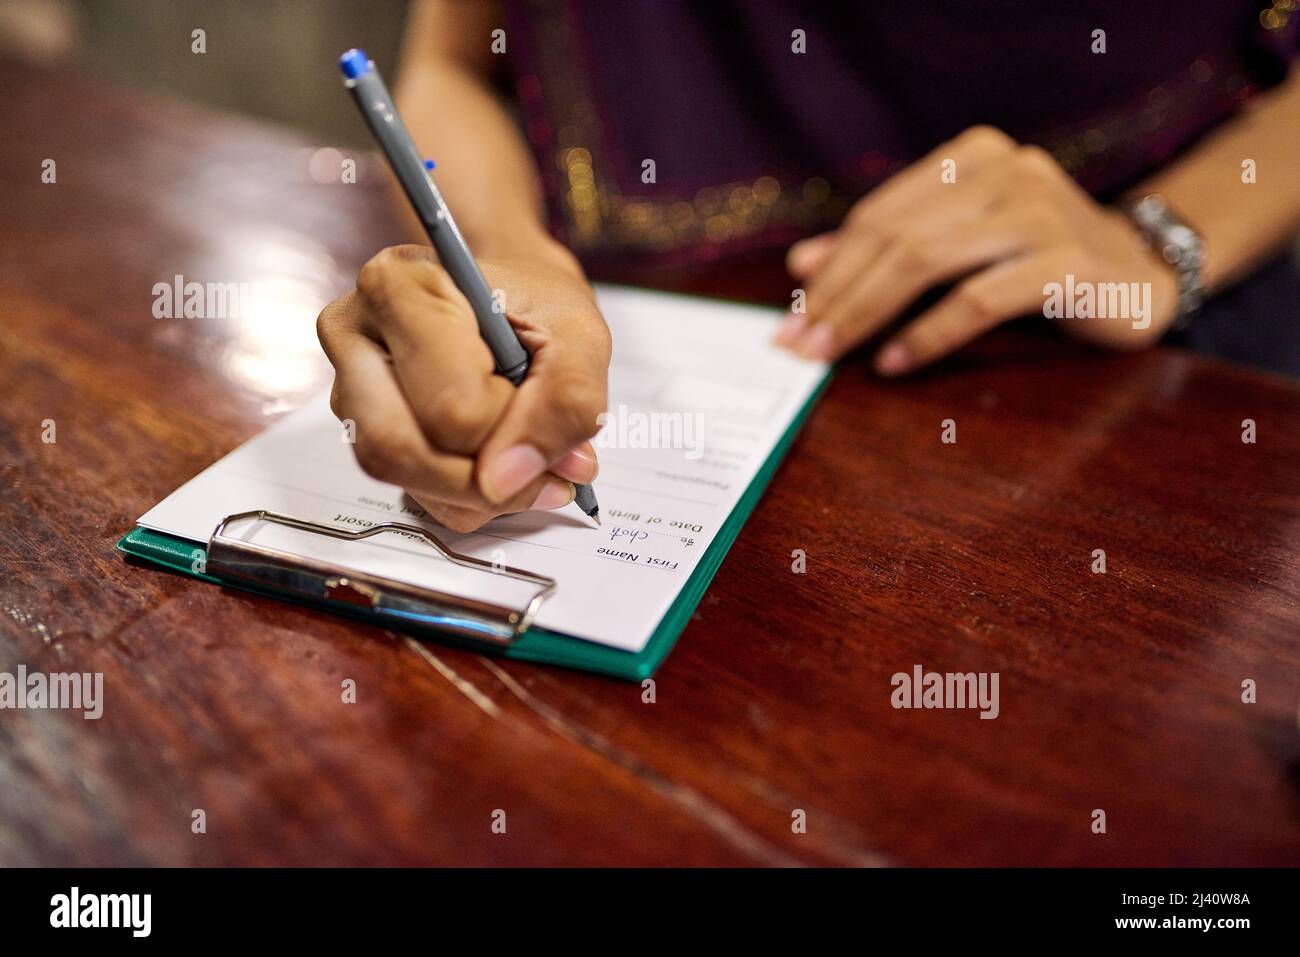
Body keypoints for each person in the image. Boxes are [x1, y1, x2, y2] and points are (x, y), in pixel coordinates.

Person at [317, 0, 1300, 532]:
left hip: (1136, 355)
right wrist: (507, 254)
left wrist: (1159, 241)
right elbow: (456, 62)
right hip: (655, 303)